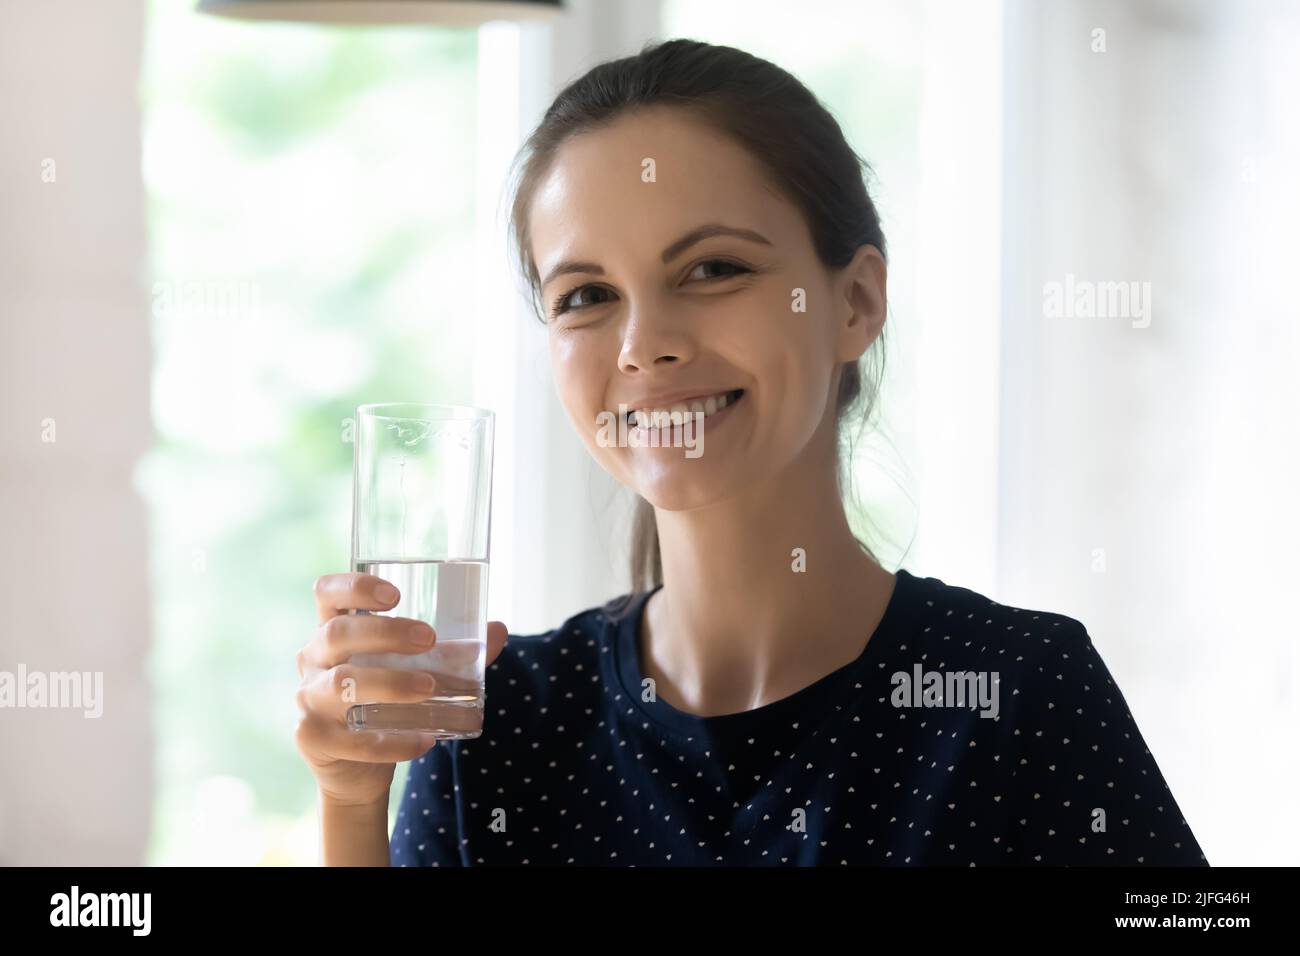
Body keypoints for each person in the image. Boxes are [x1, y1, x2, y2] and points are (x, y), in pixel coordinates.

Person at [294, 38, 1206, 867]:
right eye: (585, 295)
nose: (644, 344)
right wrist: (349, 801)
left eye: (713, 269)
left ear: (853, 303)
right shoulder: (497, 733)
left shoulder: (1020, 693)